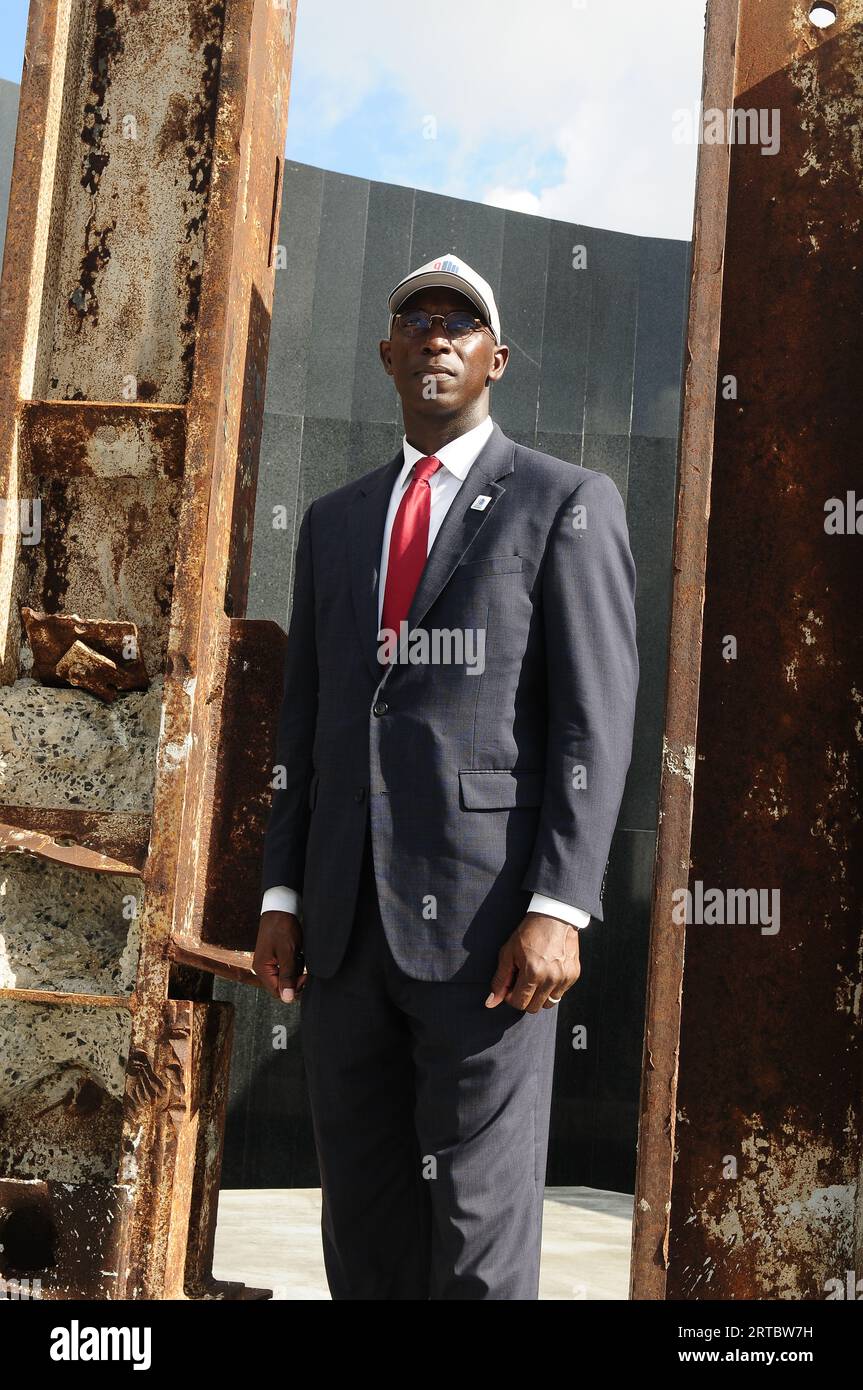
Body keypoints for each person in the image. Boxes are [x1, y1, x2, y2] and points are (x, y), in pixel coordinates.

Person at [253, 253, 639, 1300]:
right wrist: (282, 888)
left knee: (474, 1230)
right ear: (386, 354)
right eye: (416, 321)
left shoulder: (565, 502)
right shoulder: (334, 523)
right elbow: (310, 717)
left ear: (494, 360)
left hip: (488, 933)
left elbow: (593, 721)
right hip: (339, 931)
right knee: (364, 1216)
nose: (435, 336)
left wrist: (559, 905)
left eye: (459, 324)